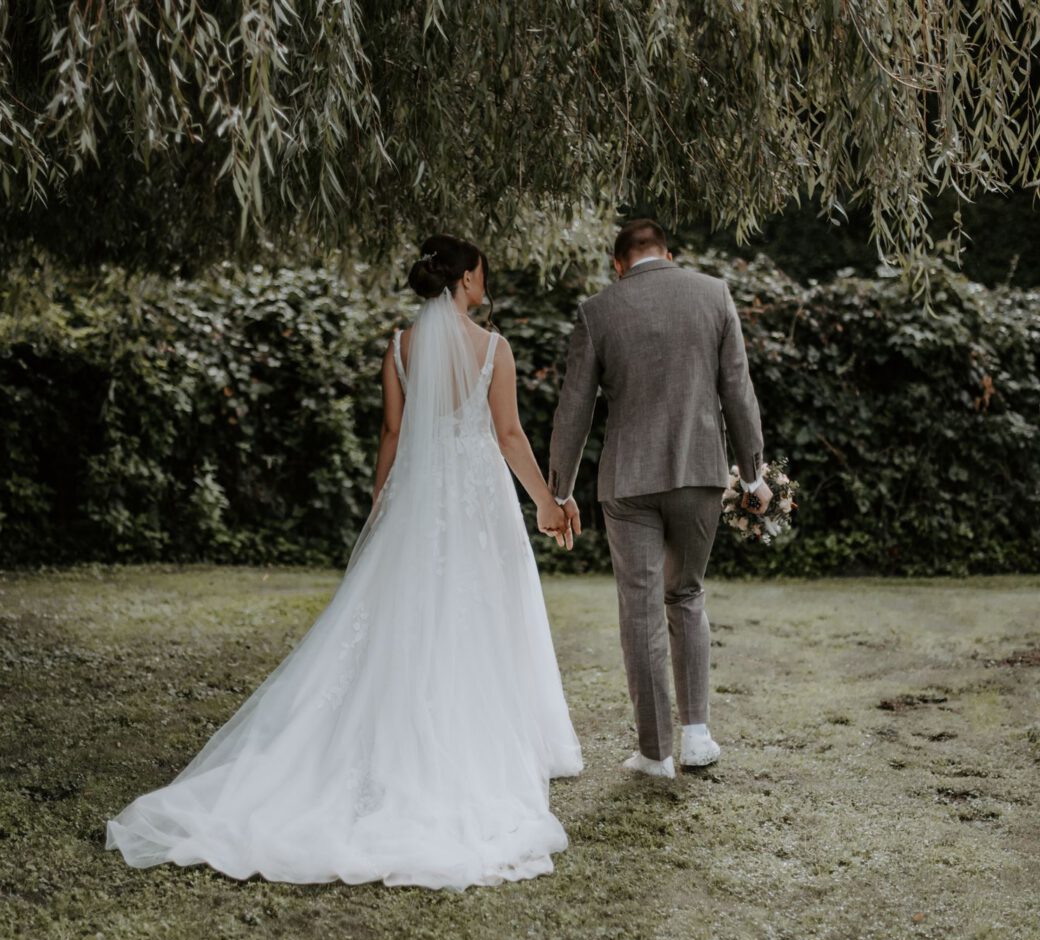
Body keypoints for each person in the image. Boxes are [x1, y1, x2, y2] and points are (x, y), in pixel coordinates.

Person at [105, 234, 584, 890]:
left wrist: (380, 507)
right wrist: (548, 504)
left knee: (402, 613)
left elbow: (391, 434)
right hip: (477, 502)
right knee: (480, 614)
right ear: (466, 279)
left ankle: (393, 737)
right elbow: (506, 435)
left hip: (417, 499)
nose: (484, 282)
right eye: (480, 273)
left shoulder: (400, 347)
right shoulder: (492, 350)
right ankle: (471, 743)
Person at [548, 219, 770, 778]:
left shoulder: (598, 310)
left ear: (618, 263)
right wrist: (751, 475)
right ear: (669, 253)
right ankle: (696, 736)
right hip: (699, 471)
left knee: (640, 610)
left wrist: (560, 490)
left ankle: (655, 753)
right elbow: (738, 391)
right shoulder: (713, 293)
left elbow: (574, 408)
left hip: (627, 482)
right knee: (687, 595)